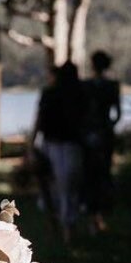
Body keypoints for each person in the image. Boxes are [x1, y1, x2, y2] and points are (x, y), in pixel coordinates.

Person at [34, 60, 86, 241]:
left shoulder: (51, 94)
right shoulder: (79, 95)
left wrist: (32, 143)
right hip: (69, 145)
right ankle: (66, 228)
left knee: (55, 187)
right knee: (67, 187)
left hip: (55, 144)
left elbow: (39, 121)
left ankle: (60, 226)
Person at [82, 49, 121, 231]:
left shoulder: (86, 85)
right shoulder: (112, 85)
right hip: (105, 134)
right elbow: (117, 114)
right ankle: (100, 215)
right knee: (103, 174)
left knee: (91, 176)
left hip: (91, 134)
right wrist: (109, 126)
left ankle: (94, 215)